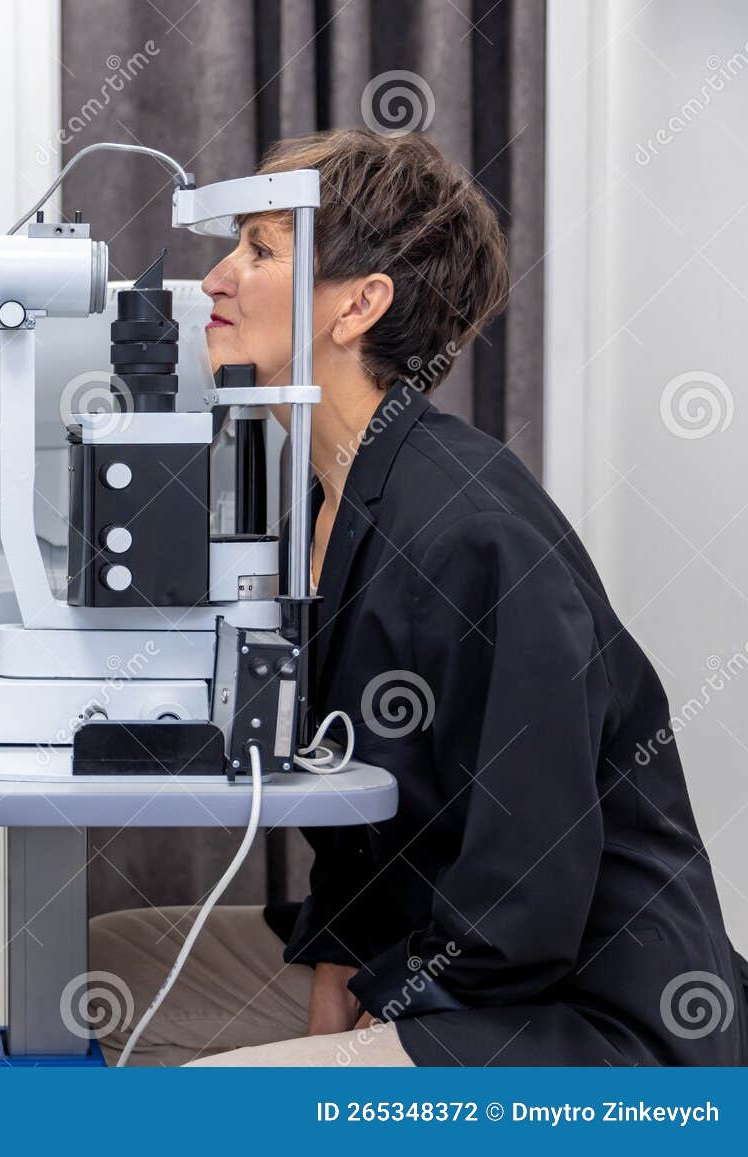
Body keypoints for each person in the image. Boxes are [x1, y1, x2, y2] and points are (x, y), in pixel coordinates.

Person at [90, 127, 747, 1067]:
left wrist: (398, 1002)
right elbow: (379, 811)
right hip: (440, 953)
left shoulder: (470, 531)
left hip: (586, 1014)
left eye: (261, 249)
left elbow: (531, 881)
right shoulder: (328, 502)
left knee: (191, 1110)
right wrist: (336, 953)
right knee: (114, 956)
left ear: (358, 305)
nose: (217, 279)